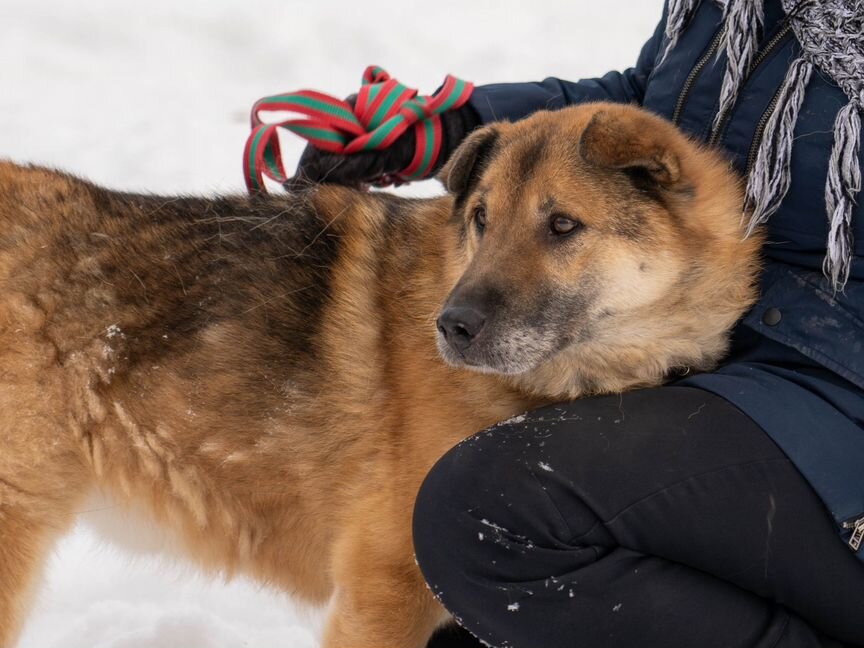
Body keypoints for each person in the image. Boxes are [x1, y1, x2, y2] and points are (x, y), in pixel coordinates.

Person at [295, 1, 864, 646]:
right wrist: (461, 123)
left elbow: (648, 152)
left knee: (490, 510)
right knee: (481, 619)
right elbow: (656, 105)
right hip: (718, 351)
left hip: (832, 387)